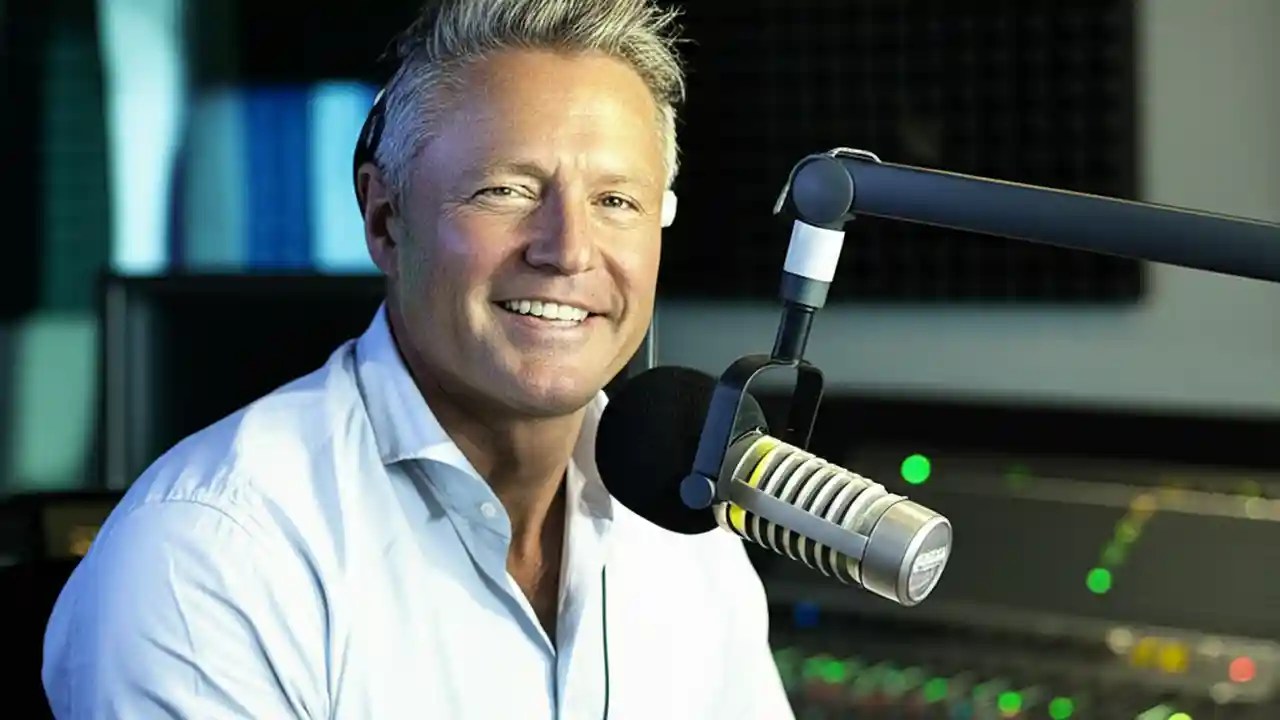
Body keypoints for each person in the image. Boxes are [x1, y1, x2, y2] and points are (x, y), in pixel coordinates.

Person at [42, 1, 795, 718]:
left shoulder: (685, 533)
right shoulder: (208, 554)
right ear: (385, 218)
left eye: (617, 201)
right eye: (505, 190)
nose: (567, 251)